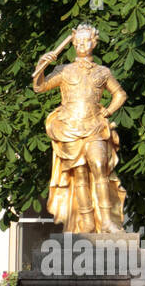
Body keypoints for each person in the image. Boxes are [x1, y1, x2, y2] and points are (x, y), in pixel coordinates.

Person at [32, 23, 128, 234]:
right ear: (73, 43)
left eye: (87, 41)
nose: (83, 45)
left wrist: (108, 111)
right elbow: (39, 87)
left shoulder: (103, 72)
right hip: (69, 128)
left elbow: (120, 94)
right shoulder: (64, 70)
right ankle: (86, 222)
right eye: (79, 41)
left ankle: (107, 221)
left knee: (98, 166)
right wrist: (42, 64)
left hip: (94, 126)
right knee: (81, 174)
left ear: (94, 43)